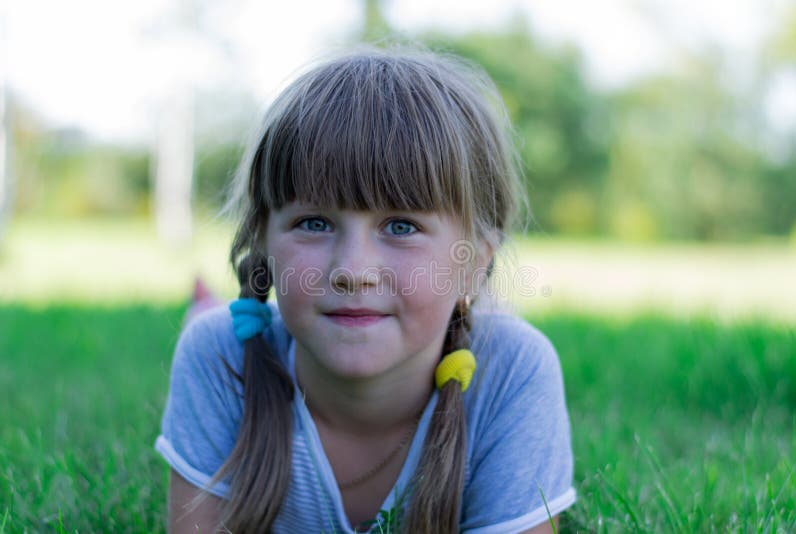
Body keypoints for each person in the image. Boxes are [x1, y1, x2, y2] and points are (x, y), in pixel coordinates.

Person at [155, 46, 575, 533]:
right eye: (314, 222)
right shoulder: (219, 358)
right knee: (213, 324)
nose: (353, 271)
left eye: (400, 227)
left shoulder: (512, 372)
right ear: (263, 244)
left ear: (473, 263)